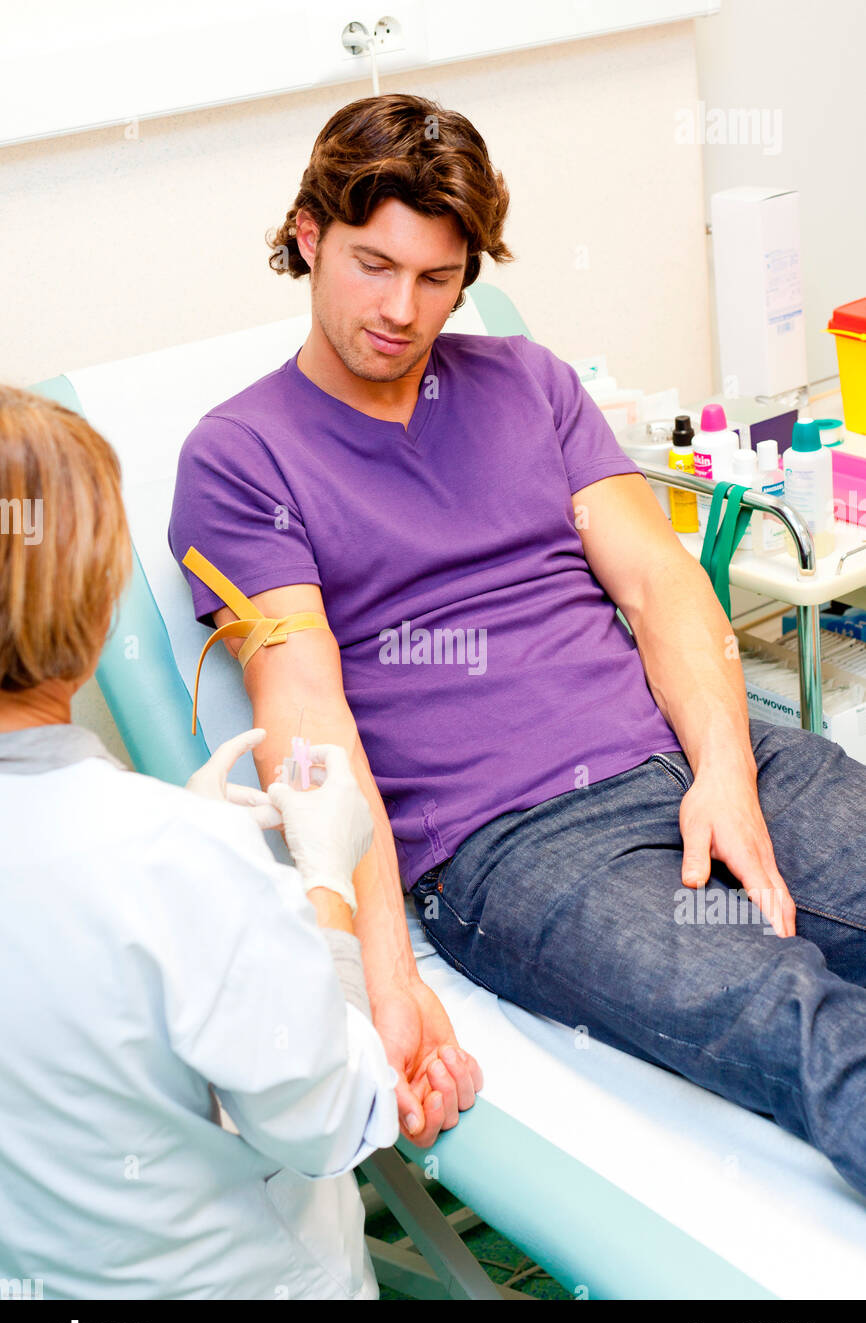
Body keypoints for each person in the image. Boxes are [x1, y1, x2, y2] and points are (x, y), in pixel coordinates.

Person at [169, 92, 866, 1199]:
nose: (401, 309)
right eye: (371, 264)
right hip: (518, 848)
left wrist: (726, 775)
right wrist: (382, 977)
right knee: (804, 1030)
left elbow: (662, 585)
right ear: (307, 236)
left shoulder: (529, 386)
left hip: (699, 755)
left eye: (437, 279)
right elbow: (306, 725)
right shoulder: (239, 458)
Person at [0, 384, 398, 1299]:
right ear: (100, 605)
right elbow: (332, 1116)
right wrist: (324, 886)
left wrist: (187, 844)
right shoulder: (172, 861)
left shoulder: (165, 854)